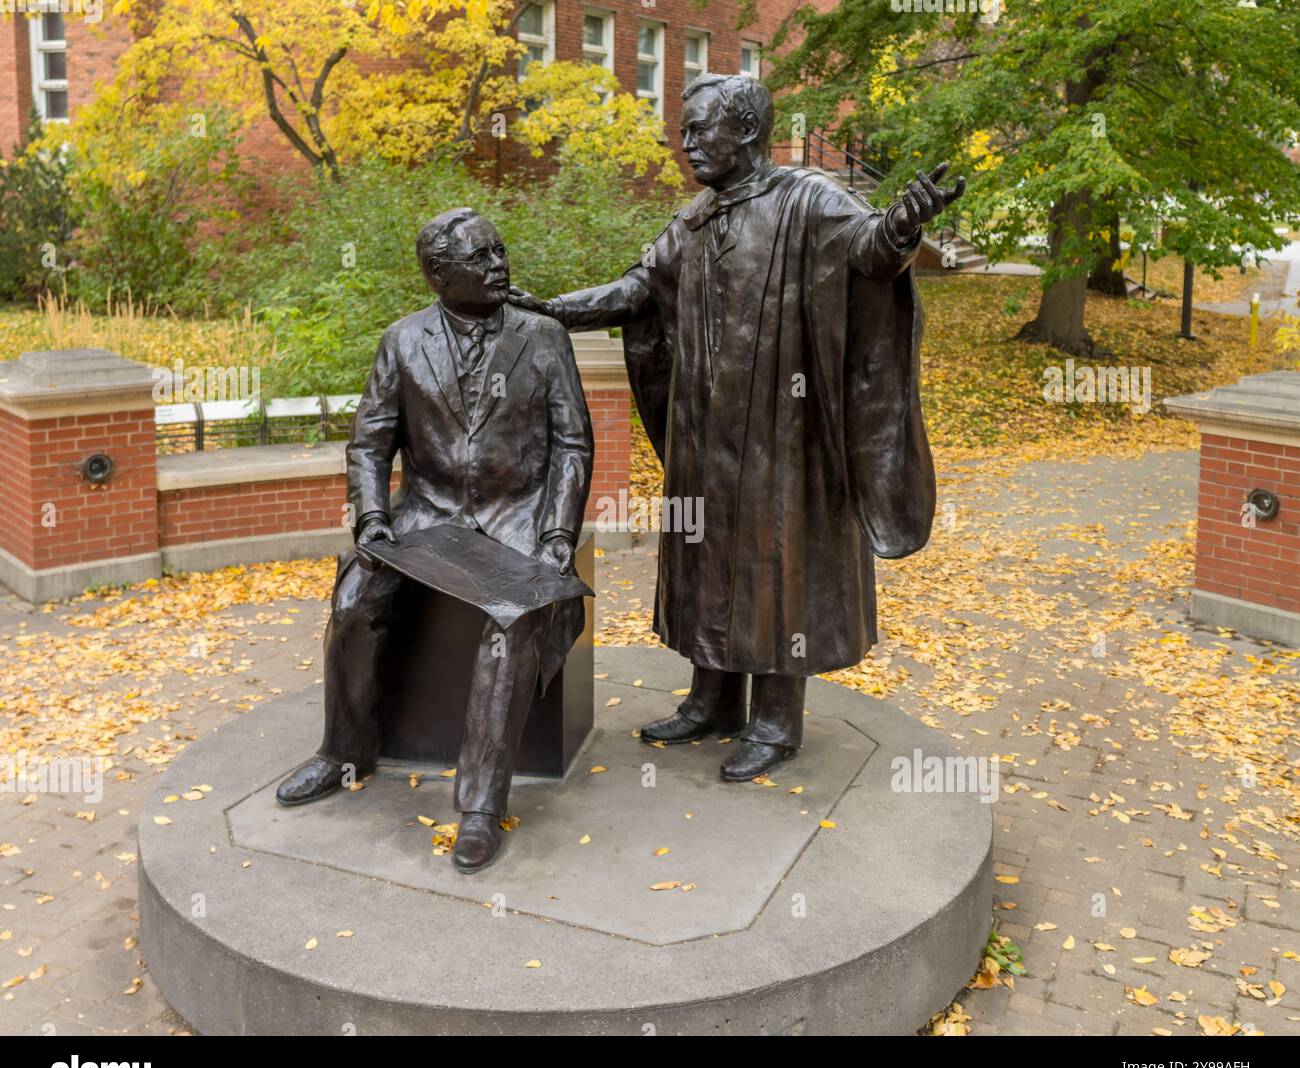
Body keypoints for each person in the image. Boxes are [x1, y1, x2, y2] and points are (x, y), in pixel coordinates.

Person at [510, 74, 963, 782]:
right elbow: (635, 290)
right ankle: (712, 699)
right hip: (704, 437)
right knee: (705, 561)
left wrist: (904, 225)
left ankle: (777, 719)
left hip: (784, 438)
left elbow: (871, 253)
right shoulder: (692, 221)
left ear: (747, 132)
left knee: (777, 567)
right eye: (684, 130)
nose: (686, 142)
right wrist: (549, 309)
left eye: (699, 129)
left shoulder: (807, 200)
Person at [275, 208, 593, 873]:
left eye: (501, 250)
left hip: (517, 517)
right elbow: (367, 443)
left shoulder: (544, 337)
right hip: (425, 514)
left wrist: (558, 531)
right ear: (438, 274)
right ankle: (345, 750)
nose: (499, 265)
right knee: (354, 598)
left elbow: (572, 444)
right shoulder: (401, 341)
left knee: (512, 621)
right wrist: (371, 520)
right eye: (481, 258)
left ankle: (480, 804)